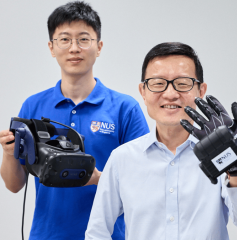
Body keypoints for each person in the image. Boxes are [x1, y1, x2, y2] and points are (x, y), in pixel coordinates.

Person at [85, 42, 237, 240]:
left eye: (182, 83)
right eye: (157, 83)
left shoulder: (220, 151)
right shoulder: (122, 159)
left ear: (201, 90)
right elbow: (97, 232)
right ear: (143, 92)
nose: (170, 94)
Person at [0, 2, 149, 240]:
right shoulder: (33, 106)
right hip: (46, 234)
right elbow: (14, 185)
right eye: (64, 39)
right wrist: (8, 153)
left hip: (108, 235)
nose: (74, 48)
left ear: (99, 46)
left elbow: (147, 183)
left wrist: (98, 179)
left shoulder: (124, 108)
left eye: (83, 39)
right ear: (51, 47)